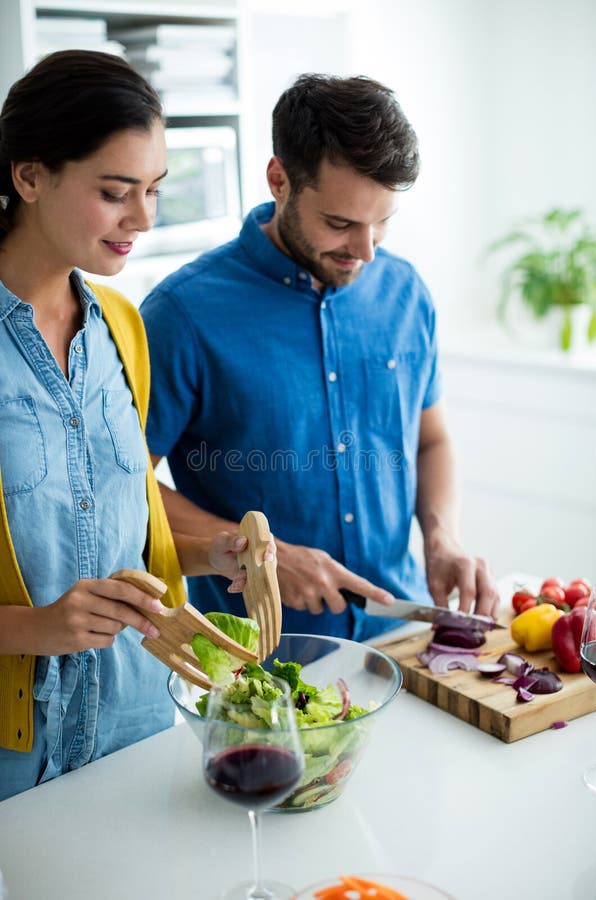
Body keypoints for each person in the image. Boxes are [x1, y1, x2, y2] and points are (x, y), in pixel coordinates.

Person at [141, 73, 499, 643]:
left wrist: (441, 537)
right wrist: (260, 552)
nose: (366, 250)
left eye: (383, 222)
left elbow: (431, 439)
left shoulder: (405, 293)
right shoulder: (180, 314)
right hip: (260, 655)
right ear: (279, 179)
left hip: (400, 632)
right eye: (340, 224)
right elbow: (127, 483)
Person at [0, 50, 266, 801]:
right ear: (29, 177)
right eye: (116, 193)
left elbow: (117, 535)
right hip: (16, 764)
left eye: (153, 191)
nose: (143, 219)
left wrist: (211, 552)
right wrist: (32, 629)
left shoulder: (124, 327)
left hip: (139, 727)